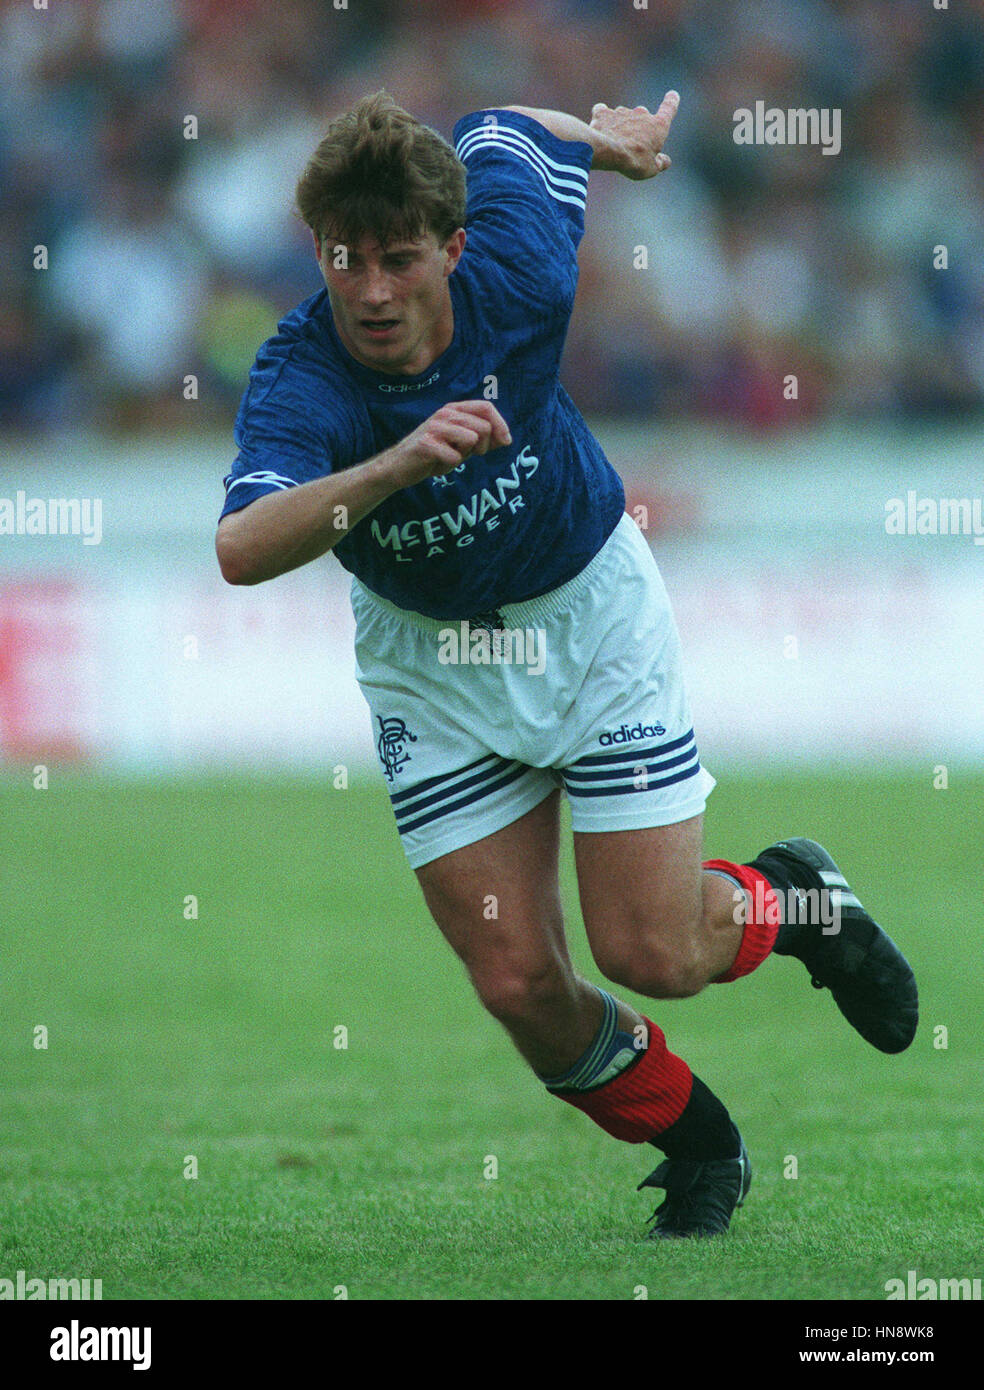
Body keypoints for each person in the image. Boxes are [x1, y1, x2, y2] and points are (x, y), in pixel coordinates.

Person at [215, 90, 918, 1238]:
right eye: (348, 262)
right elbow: (241, 548)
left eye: (400, 259)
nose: (374, 290)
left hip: (586, 616)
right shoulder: (301, 374)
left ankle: (804, 903)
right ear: (319, 252)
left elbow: (506, 124)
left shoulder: (522, 267)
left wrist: (615, 142)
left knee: (653, 951)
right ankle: (700, 1145)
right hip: (430, 668)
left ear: (454, 245)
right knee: (518, 983)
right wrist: (390, 466)